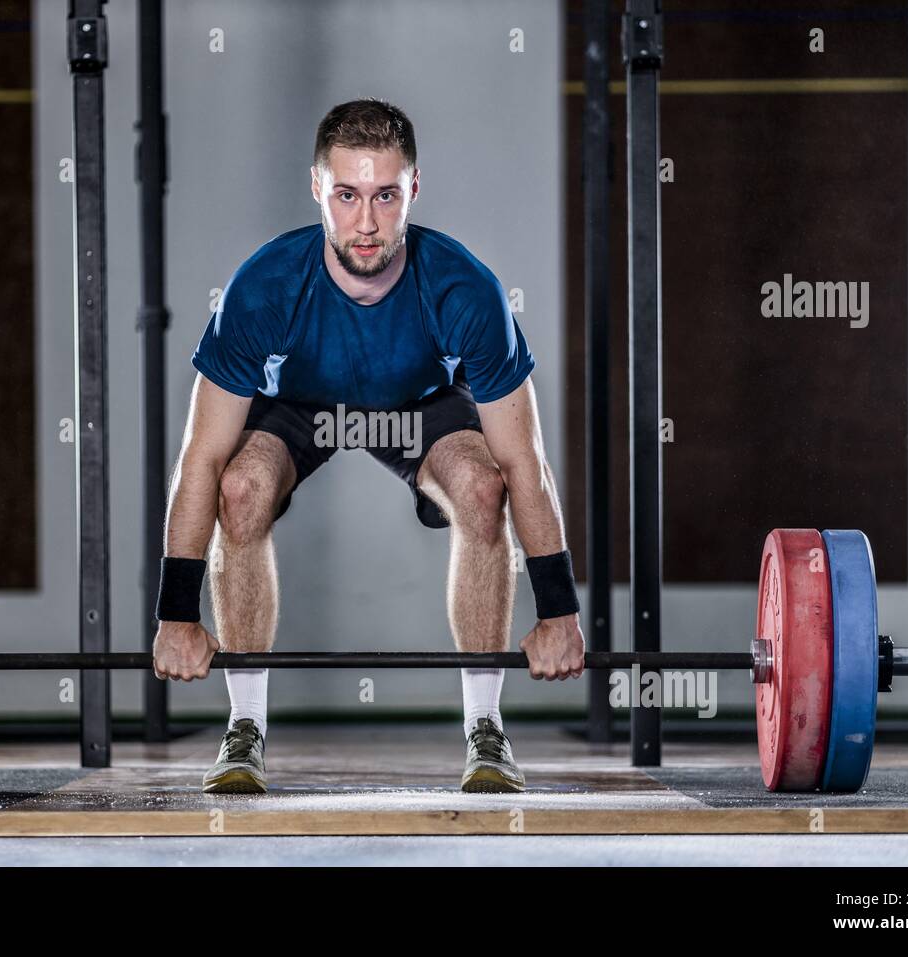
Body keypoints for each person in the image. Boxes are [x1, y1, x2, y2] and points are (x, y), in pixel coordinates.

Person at [152, 98, 585, 794]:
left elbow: (523, 461)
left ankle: (485, 727)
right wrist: (176, 615)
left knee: (482, 488)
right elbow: (200, 457)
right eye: (347, 194)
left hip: (418, 405)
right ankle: (246, 727)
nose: (366, 220)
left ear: (414, 188)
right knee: (240, 487)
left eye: (385, 195)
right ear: (317, 187)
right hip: (298, 403)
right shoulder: (262, 288)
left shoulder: (465, 289)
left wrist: (559, 613)